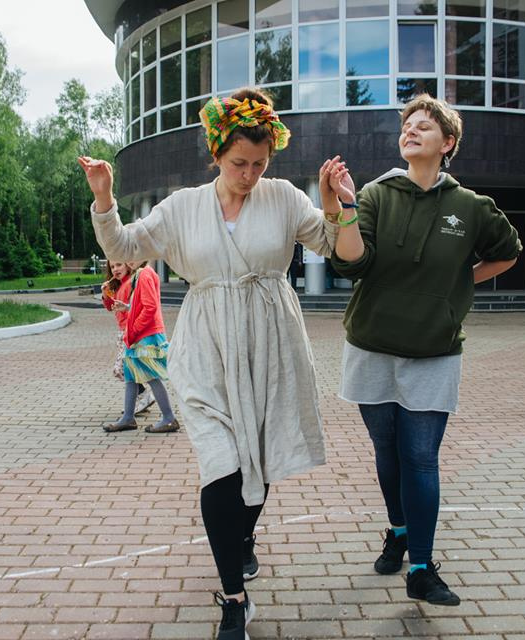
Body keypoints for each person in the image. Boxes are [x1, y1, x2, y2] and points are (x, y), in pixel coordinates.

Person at [79, 87, 362, 640]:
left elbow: (338, 248)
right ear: (216, 155)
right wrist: (105, 197)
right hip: (206, 347)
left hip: (271, 345)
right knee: (221, 465)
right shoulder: (183, 207)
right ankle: (234, 597)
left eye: (259, 163)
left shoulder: (282, 197)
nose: (249, 174)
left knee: (258, 457)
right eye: (239, 163)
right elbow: (123, 247)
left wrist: (337, 201)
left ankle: (244, 537)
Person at [329, 94, 521, 607]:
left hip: (435, 352)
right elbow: (351, 265)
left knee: (420, 458)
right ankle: (396, 529)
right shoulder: (374, 193)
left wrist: (459, 284)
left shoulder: (471, 207)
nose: (411, 131)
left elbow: (508, 252)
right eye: (407, 125)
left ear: (447, 143)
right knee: (387, 454)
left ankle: (420, 566)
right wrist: (345, 206)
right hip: (371, 347)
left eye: (424, 127)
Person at [101, 260, 180, 434]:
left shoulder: (144, 274)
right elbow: (140, 305)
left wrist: (134, 329)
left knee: (150, 375)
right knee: (130, 375)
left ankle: (168, 418)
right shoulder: (140, 274)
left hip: (144, 334)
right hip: (136, 333)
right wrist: (127, 307)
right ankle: (128, 417)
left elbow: (150, 307)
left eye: (132, 255)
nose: (130, 259)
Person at [101, 260, 155, 417]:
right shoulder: (117, 285)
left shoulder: (132, 283)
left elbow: (136, 306)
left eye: (119, 265)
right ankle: (142, 398)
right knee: (129, 369)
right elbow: (111, 307)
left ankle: (145, 396)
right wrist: (106, 294)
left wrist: (132, 329)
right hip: (122, 331)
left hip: (129, 330)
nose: (115, 269)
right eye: (112, 267)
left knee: (121, 369)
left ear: (127, 266)